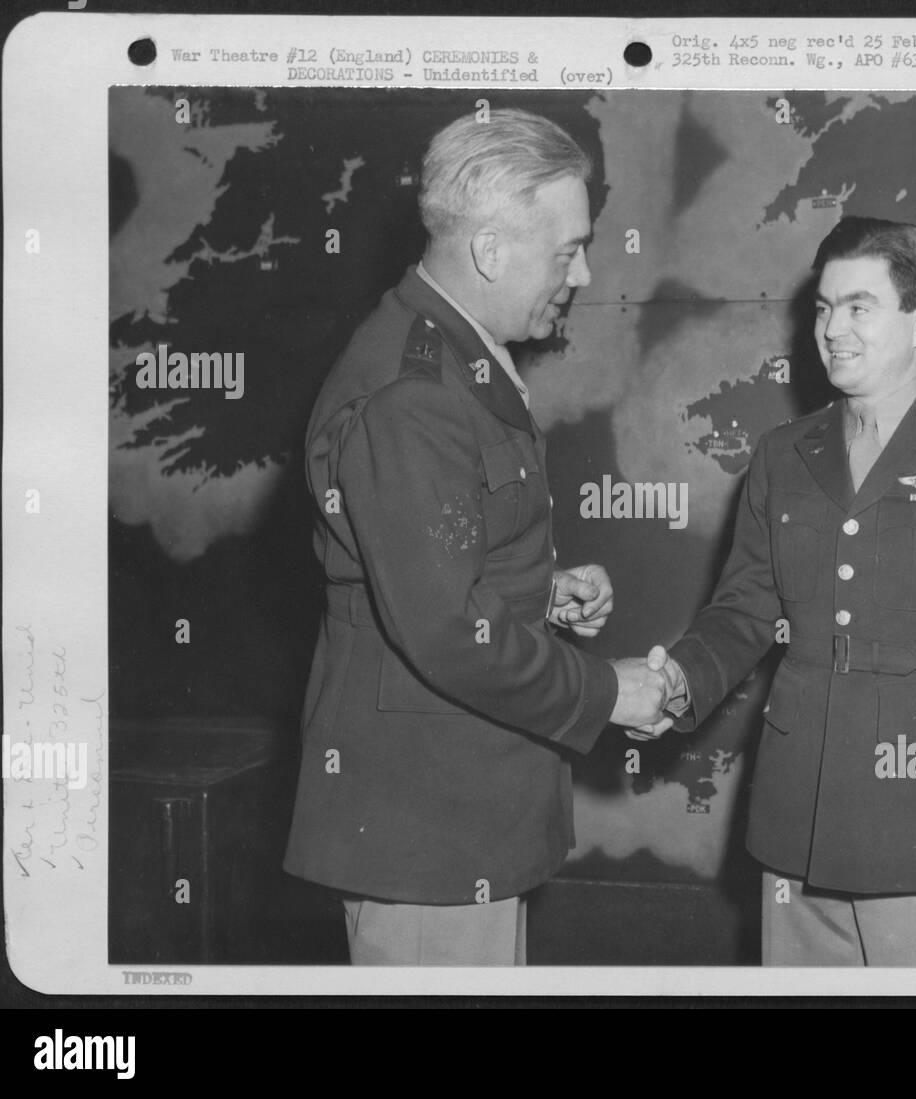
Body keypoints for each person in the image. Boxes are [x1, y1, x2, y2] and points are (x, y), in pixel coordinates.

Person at [283, 108, 669, 966]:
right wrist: (611, 691)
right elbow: (448, 631)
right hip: (426, 831)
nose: (586, 270)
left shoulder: (460, 353)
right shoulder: (415, 390)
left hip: (460, 817)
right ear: (492, 251)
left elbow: (439, 562)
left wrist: (537, 590)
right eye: (568, 249)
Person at [645, 216, 916, 965]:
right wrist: (680, 680)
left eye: (859, 307)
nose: (832, 328)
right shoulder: (783, 454)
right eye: (823, 307)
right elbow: (746, 608)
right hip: (795, 824)